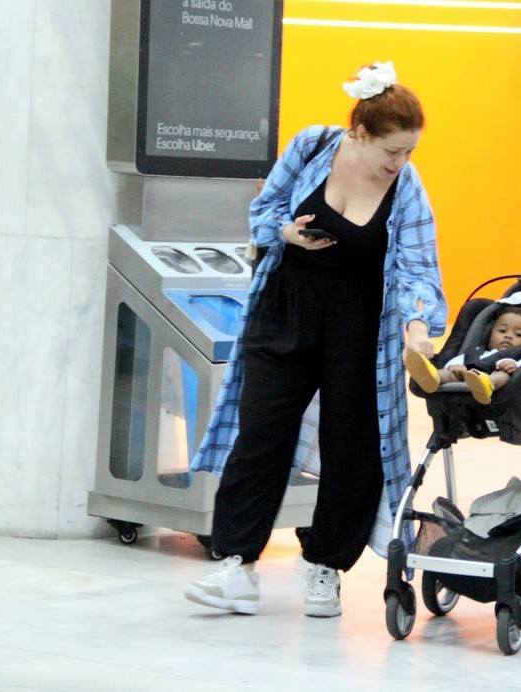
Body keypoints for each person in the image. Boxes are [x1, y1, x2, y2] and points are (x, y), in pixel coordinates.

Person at [184, 62, 447, 618]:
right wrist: (287, 234)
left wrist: (419, 329)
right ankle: (237, 564)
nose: (399, 163)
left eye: (409, 152)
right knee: (261, 433)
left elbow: (417, 269)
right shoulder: (312, 146)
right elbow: (264, 211)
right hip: (284, 311)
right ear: (360, 133)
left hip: (357, 329)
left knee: (352, 445)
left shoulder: (407, 189)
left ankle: (326, 566)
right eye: (391, 152)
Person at [405, 304, 521, 404]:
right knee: (451, 373)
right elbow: (457, 360)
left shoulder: (520, 358)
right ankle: (433, 377)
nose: (508, 336)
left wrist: (512, 366)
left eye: (518, 334)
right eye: (502, 330)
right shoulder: (478, 352)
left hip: (494, 378)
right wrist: (454, 367)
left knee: (504, 374)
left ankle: (487, 384)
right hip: (466, 377)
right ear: (489, 334)